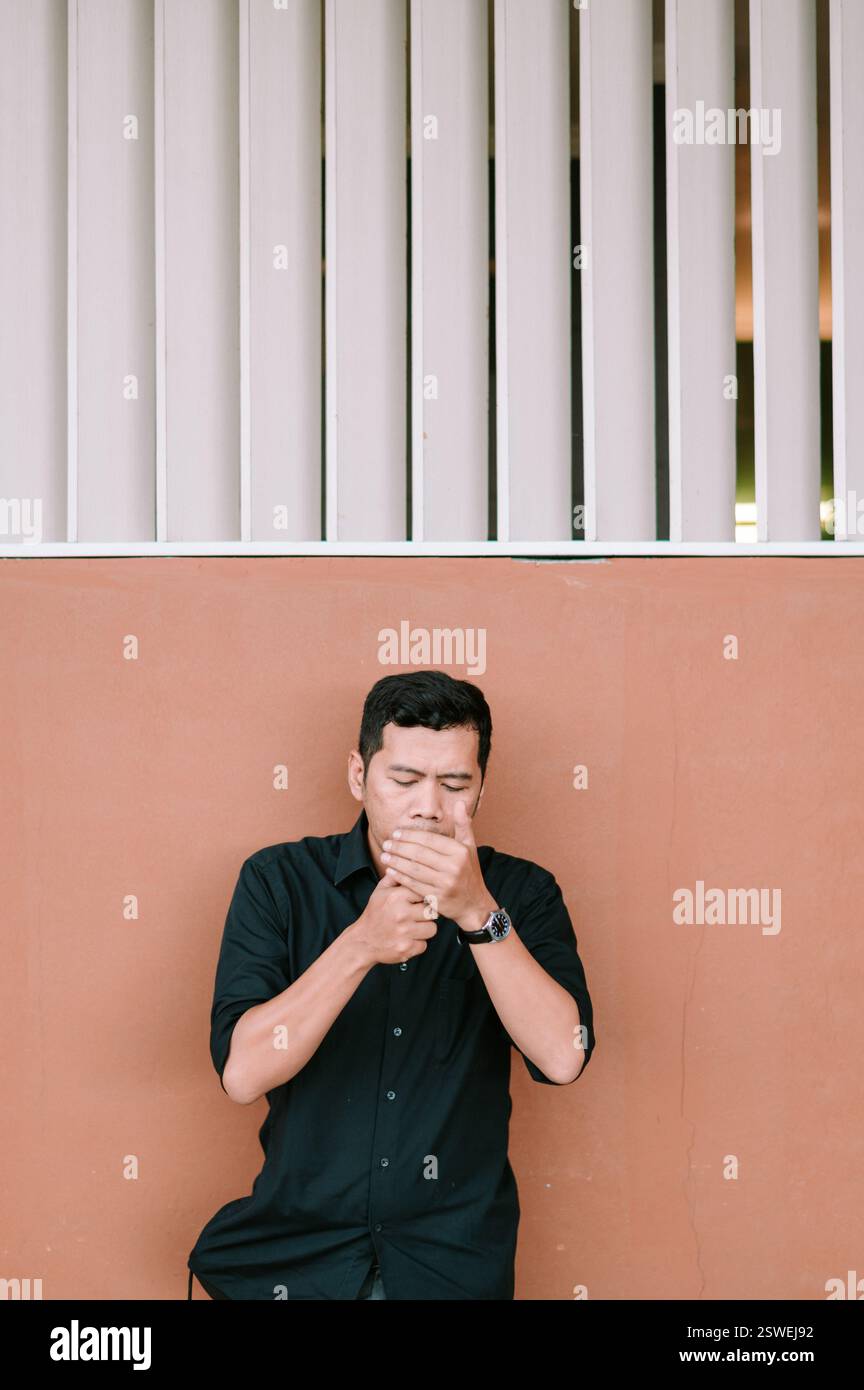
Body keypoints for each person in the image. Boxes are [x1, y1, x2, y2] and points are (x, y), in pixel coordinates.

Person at [186, 670, 596, 1299]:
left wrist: (478, 915)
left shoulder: (523, 893)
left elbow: (563, 1056)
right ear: (360, 776)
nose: (428, 805)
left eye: (455, 783)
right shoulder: (278, 881)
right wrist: (359, 945)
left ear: (481, 786)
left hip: (449, 1264)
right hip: (297, 1261)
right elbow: (242, 1074)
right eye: (403, 780)